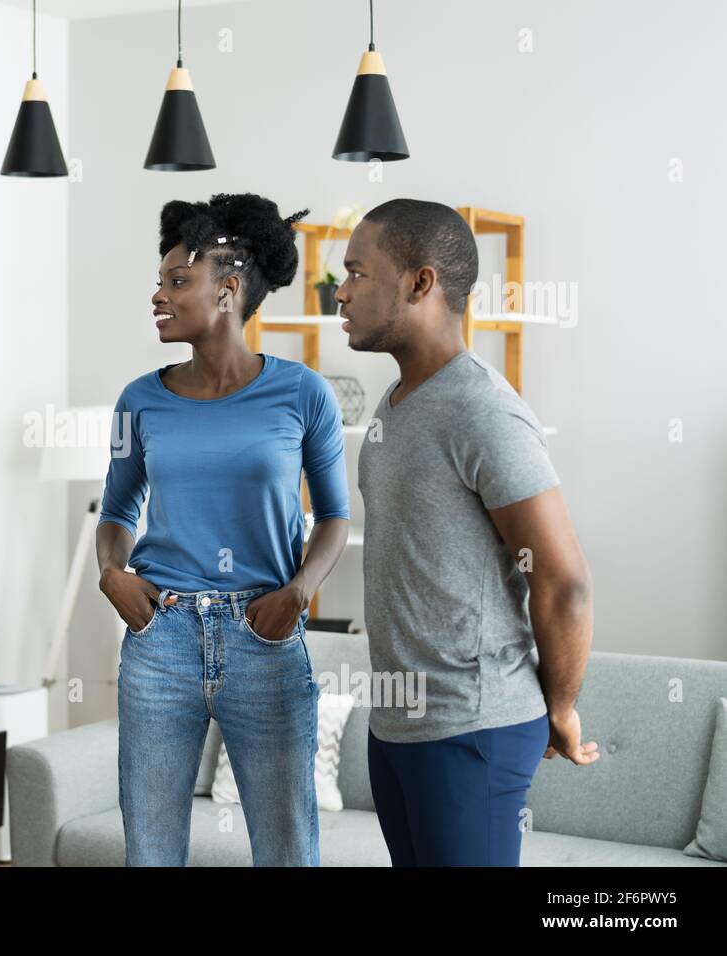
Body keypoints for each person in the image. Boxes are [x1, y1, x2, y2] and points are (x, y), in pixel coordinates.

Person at [337, 198, 598, 867]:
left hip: (471, 729)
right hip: (398, 729)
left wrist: (560, 707)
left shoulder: (483, 410)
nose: (341, 291)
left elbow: (564, 583)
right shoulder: (393, 411)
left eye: (358, 273)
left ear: (419, 283)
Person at [96, 193, 351, 866]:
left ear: (230, 290)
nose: (159, 294)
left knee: (287, 847)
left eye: (178, 280)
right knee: (149, 849)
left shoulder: (303, 393)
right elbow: (118, 511)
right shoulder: (139, 399)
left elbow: (335, 517)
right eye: (159, 280)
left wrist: (300, 591)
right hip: (160, 639)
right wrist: (111, 575)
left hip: (263, 636)